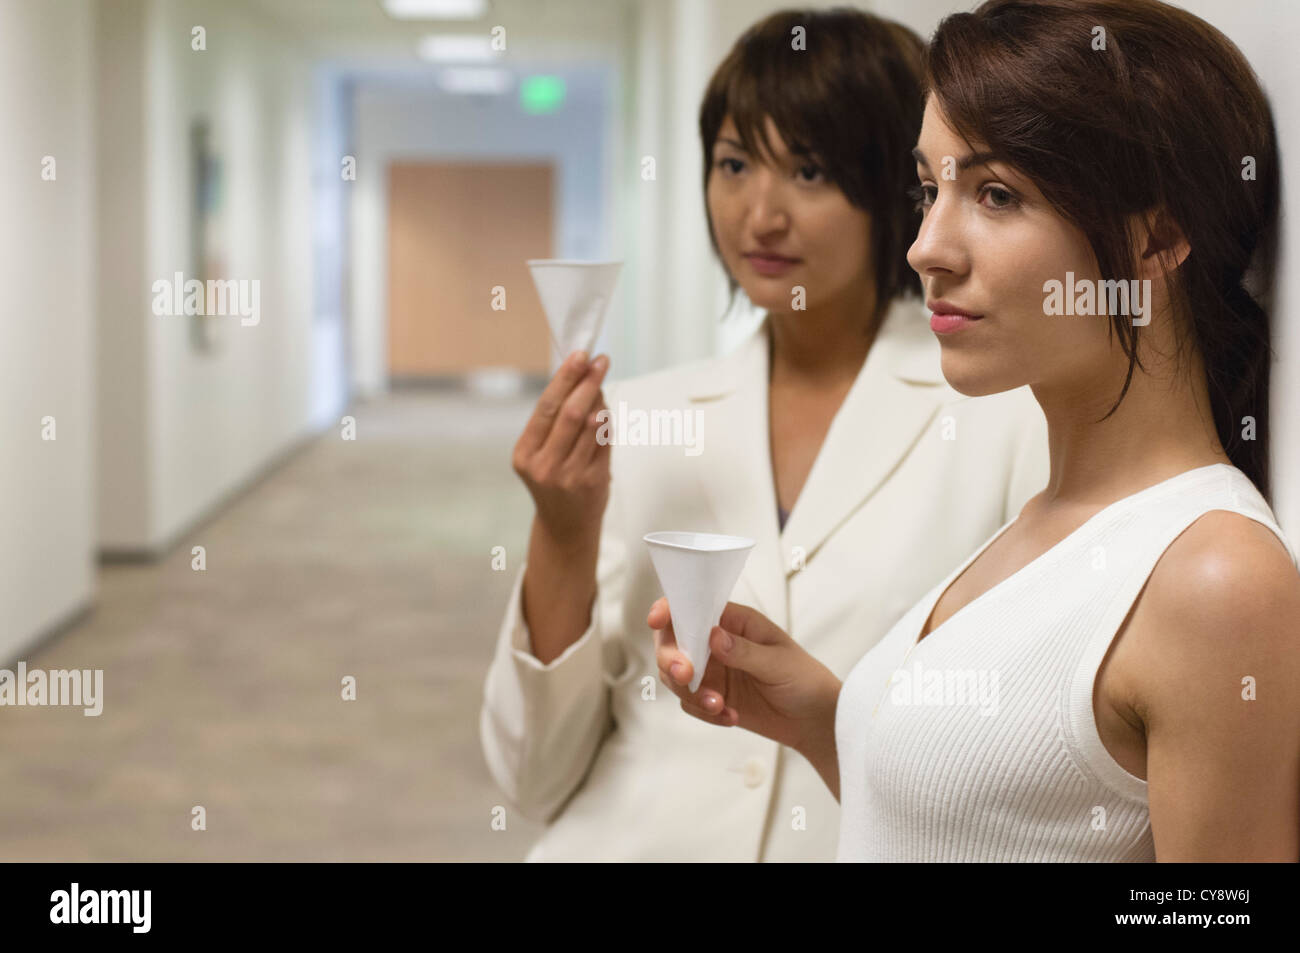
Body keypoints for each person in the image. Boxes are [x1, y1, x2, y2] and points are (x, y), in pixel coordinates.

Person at [654, 0, 1300, 862]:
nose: (927, 246)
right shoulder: (1050, 517)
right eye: (930, 190)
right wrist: (824, 718)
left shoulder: (1215, 578)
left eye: (996, 194)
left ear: (1160, 237)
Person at [480, 7, 1048, 862]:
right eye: (734, 163)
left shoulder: (1008, 414)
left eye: (810, 171)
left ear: (900, 191)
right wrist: (562, 534)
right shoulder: (638, 418)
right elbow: (532, 780)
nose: (759, 214)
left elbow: (1026, 758)